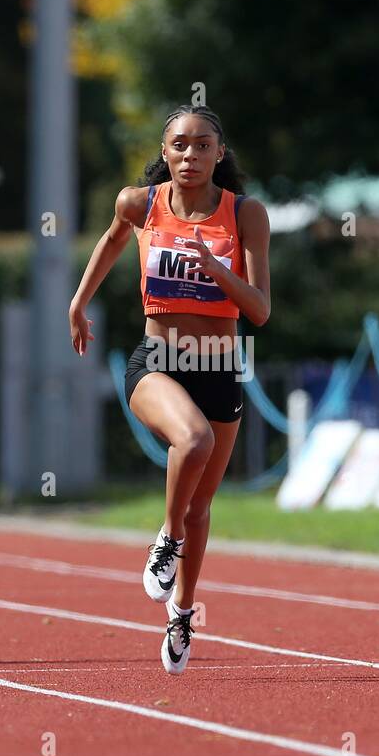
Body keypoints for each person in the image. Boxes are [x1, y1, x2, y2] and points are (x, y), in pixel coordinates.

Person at [69, 104, 271, 674]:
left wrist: (216, 268)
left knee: (203, 506)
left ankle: (182, 611)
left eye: (203, 145)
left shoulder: (245, 215)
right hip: (158, 359)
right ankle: (166, 537)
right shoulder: (140, 203)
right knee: (194, 440)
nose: (190, 155)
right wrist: (79, 301)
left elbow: (259, 310)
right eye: (179, 145)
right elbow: (111, 241)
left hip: (221, 364)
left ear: (219, 154)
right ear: (164, 153)